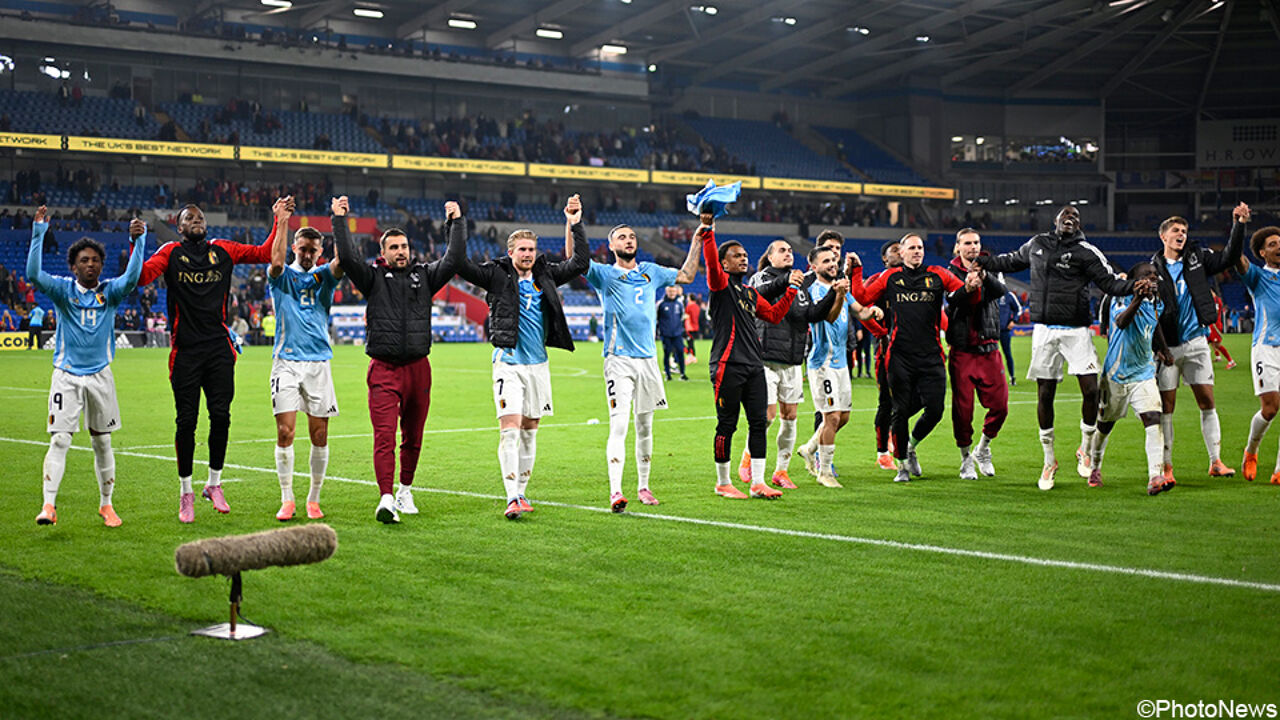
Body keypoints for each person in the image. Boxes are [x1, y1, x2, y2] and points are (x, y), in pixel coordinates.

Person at [140, 199, 289, 523]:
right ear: (179, 227)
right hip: (185, 352)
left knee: (221, 416)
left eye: (200, 217)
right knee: (186, 422)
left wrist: (278, 219)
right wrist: (137, 243)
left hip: (219, 349)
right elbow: (141, 278)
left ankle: (214, 484)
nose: (196, 220)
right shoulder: (170, 253)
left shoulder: (223, 249)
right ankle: (186, 493)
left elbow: (264, 253)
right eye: (189, 218)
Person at [976, 205, 1134, 490]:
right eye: (1066, 215)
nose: (1070, 219)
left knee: (1091, 390)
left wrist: (1135, 287)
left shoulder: (1087, 252)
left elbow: (1109, 282)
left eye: (1075, 216)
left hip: (1076, 330)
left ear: (1079, 224)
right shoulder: (1037, 243)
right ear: (1056, 221)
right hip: (1044, 330)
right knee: (1045, 393)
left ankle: (1085, 446)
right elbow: (1011, 261)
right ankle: (1049, 460)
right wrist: (983, 262)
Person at [334, 196, 465, 524]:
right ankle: (387, 497)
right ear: (384, 253)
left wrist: (455, 223)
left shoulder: (426, 276)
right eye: (393, 247)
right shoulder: (373, 278)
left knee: (413, 437)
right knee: (384, 436)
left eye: (404, 246)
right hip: (383, 369)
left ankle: (405, 490)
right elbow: (349, 258)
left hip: (419, 369)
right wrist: (340, 219)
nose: (401, 251)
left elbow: (454, 258)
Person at [456, 195, 589, 517]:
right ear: (511, 252)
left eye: (532, 250)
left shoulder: (546, 276)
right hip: (509, 364)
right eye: (522, 250)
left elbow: (580, 263)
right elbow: (460, 265)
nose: (528, 255)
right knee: (511, 428)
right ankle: (511, 496)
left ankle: (522, 494)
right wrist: (457, 224)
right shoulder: (496, 275)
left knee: (530, 431)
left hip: (538, 366)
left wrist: (575, 223)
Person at [28, 205, 145, 526]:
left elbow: (133, 277)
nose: (90, 264)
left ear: (101, 265)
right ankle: (48, 506)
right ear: (73, 266)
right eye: (84, 260)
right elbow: (33, 275)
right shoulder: (63, 291)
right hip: (66, 376)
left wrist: (139, 242)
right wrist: (38, 232)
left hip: (100, 377)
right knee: (60, 439)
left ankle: (106, 505)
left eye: (95, 260)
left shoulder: (110, 292)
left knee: (102, 441)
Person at [586, 219, 700, 510]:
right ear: (611, 246)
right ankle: (615, 491)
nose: (628, 240)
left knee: (645, 426)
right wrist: (572, 223)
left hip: (648, 361)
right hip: (619, 360)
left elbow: (687, 275)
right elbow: (576, 261)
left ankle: (644, 487)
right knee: (620, 424)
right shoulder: (604, 275)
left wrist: (698, 239)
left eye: (632, 236)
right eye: (622, 237)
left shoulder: (651, 271)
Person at [856, 234, 978, 483]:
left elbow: (965, 295)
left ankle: (911, 446)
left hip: (931, 355)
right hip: (899, 355)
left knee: (935, 410)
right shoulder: (889, 277)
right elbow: (863, 299)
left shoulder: (938, 275)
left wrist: (971, 287)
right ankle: (901, 466)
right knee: (900, 411)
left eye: (920, 247)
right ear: (901, 253)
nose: (917, 251)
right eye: (911, 248)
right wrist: (856, 270)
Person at [699, 212, 798, 500]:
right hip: (727, 365)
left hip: (754, 366)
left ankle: (757, 482)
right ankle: (723, 482)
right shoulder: (720, 287)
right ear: (724, 263)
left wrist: (791, 290)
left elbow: (775, 315)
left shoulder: (750, 294)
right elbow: (710, 262)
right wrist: (708, 230)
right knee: (726, 425)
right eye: (736, 256)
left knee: (758, 423)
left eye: (744, 255)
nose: (743, 259)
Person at [1151, 206, 1248, 484]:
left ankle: (1215, 461)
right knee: (1166, 408)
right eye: (1176, 231)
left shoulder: (1198, 257)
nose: (1181, 235)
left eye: (1184, 231)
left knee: (1207, 402)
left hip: (1196, 343)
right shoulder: (1153, 268)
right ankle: (1167, 467)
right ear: (1163, 237)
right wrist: (1157, 347)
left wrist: (1238, 224)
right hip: (1168, 349)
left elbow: (1229, 257)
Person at [742, 240, 844, 490]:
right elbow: (758, 297)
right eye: (782, 250)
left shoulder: (800, 287)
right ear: (770, 256)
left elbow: (812, 314)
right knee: (766, 417)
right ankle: (748, 456)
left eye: (790, 250)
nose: (788, 253)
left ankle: (781, 471)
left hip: (792, 360)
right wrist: (787, 281)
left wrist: (834, 292)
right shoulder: (760, 278)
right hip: (764, 358)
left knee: (790, 418)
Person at [267, 221, 345, 522]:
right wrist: (282, 221)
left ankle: (313, 498)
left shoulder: (324, 275)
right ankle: (287, 498)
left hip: (318, 363)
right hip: (286, 361)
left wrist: (339, 220)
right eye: (303, 249)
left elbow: (342, 263)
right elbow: (275, 262)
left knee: (320, 434)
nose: (308, 255)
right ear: (294, 249)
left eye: (313, 250)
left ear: (320, 251)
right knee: (285, 431)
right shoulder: (282, 275)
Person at [794, 247, 880, 488]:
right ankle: (825, 472)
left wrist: (872, 311)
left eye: (834, 260)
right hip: (822, 364)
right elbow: (829, 317)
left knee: (843, 417)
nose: (832, 264)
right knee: (830, 417)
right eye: (826, 261)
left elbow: (860, 312)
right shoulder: (813, 291)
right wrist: (840, 294)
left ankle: (809, 448)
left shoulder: (842, 287)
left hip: (842, 363)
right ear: (813, 267)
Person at [1089, 262, 1170, 494]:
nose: (1152, 278)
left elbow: (1154, 327)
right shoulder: (1121, 299)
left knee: (1154, 418)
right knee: (1105, 426)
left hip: (1143, 373)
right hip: (1116, 374)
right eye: (1146, 275)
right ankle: (1095, 466)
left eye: (1154, 275)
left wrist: (1163, 349)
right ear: (1134, 280)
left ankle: (1155, 475)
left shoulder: (1158, 303)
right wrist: (1136, 297)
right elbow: (1122, 322)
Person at [945, 229, 1009, 480]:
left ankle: (983, 449)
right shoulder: (949, 272)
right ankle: (965, 459)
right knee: (962, 411)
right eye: (967, 243)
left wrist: (983, 274)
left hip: (989, 347)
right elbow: (951, 301)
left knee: (1001, 407)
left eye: (976, 243)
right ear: (957, 246)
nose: (972, 247)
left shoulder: (990, 266)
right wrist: (967, 288)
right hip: (962, 350)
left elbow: (1000, 291)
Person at [1238, 224, 1280, 484]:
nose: (1279, 247)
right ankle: (1251, 451)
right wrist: (1238, 226)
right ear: (1262, 253)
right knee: (1271, 408)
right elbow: (1236, 259)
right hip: (1266, 346)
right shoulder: (1257, 276)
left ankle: (1279, 469)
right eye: (1272, 244)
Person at [657, 286, 688, 381]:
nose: (672, 293)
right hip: (666, 334)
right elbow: (656, 318)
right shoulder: (661, 304)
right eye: (670, 291)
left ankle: (683, 374)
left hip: (677, 334)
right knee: (667, 354)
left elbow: (681, 317)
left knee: (680, 353)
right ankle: (668, 374)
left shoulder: (679, 304)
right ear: (666, 292)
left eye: (673, 291)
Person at [997, 282, 1022, 385]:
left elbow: (1018, 309)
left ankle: (1012, 377)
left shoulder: (1009, 295)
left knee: (1007, 353)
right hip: (991, 330)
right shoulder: (988, 293)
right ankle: (993, 378)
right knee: (990, 355)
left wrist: (1014, 321)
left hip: (1004, 330)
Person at [1207, 288, 1235, 369]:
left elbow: (1215, 312)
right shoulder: (1214, 300)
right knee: (1208, 342)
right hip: (1211, 325)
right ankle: (1218, 357)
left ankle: (1231, 361)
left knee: (1216, 344)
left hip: (1215, 325)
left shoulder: (1215, 300)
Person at [683, 292, 700, 364]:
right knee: (691, 343)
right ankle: (693, 357)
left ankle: (690, 356)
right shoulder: (697, 306)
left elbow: (686, 316)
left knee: (688, 343)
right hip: (695, 326)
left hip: (689, 327)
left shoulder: (689, 306)